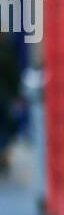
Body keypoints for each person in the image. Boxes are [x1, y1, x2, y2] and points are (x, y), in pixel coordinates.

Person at [0, 31, 22, 173]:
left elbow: (14, 74)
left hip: (5, 96)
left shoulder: (8, 48)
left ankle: (4, 154)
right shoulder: (7, 49)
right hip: (6, 95)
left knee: (7, 127)